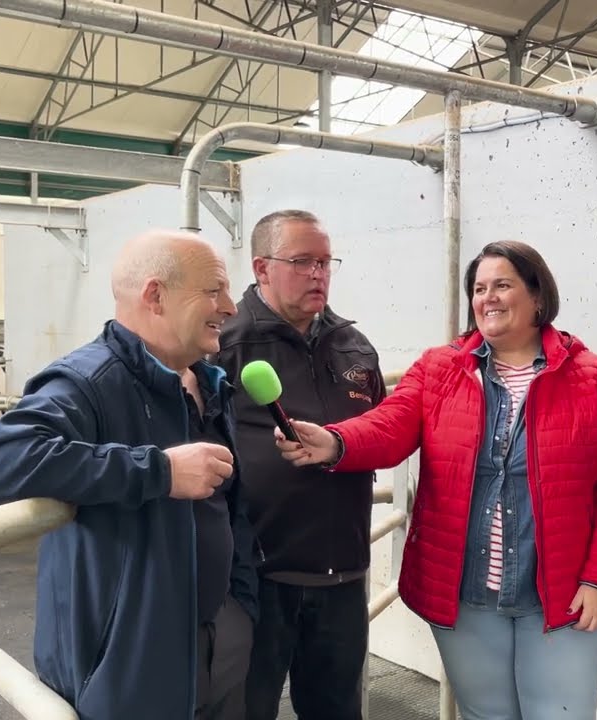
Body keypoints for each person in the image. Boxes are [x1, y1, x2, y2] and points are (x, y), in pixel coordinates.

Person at [272, 240, 597, 720]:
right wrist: (334, 442)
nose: (488, 297)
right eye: (479, 288)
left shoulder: (590, 377)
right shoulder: (440, 368)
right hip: (468, 594)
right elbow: (389, 425)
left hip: (560, 595)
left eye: (503, 285)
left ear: (537, 295)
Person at [0, 230, 258, 720]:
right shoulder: (89, 379)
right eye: (214, 290)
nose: (230, 306)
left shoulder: (209, 380)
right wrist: (159, 471)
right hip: (132, 661)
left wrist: (241, 608)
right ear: (154, 295)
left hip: (219, 634)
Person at [212, 209, 385, 720]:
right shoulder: (225, 346)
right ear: (261, 268)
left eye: (326, 262)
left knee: (336, 712)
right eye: (302, 262)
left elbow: (376, 432)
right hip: (255, 579)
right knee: (246, 710)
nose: (318, 274)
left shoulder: (354, 345)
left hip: (343, 574)